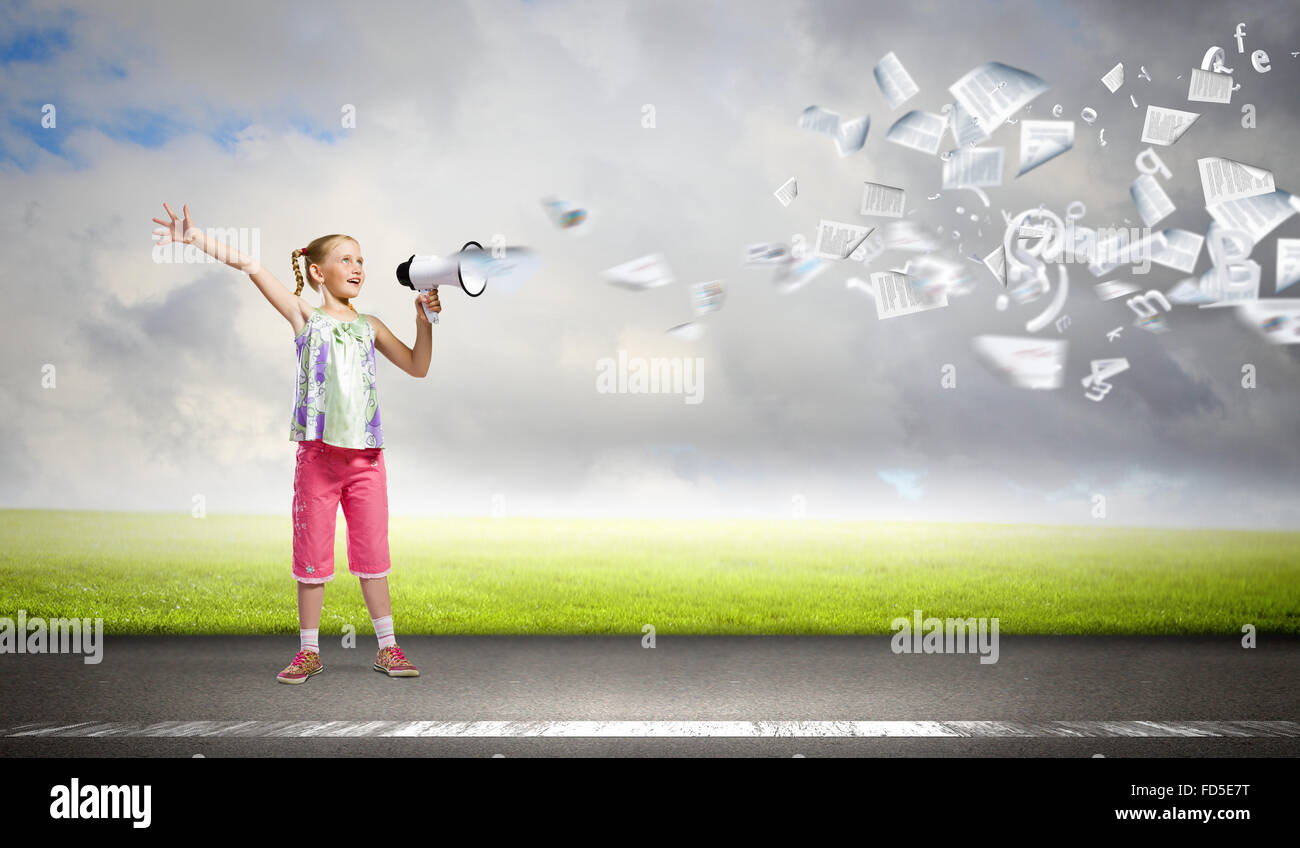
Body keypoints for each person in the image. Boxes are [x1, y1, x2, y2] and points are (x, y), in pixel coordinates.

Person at [151, 203, 438, 684]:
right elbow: (250, 266)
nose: (358, 268)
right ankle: (309, 652)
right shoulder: (305, 315)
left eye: (361, 260)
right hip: (318, 460)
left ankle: (388, 649)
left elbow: (417, 366)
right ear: (316, 271)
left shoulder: (370, 325)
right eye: (346, 260)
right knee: (311, 559)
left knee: (372, 558)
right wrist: (197, 239)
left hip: (367, 460)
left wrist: (424, 318)